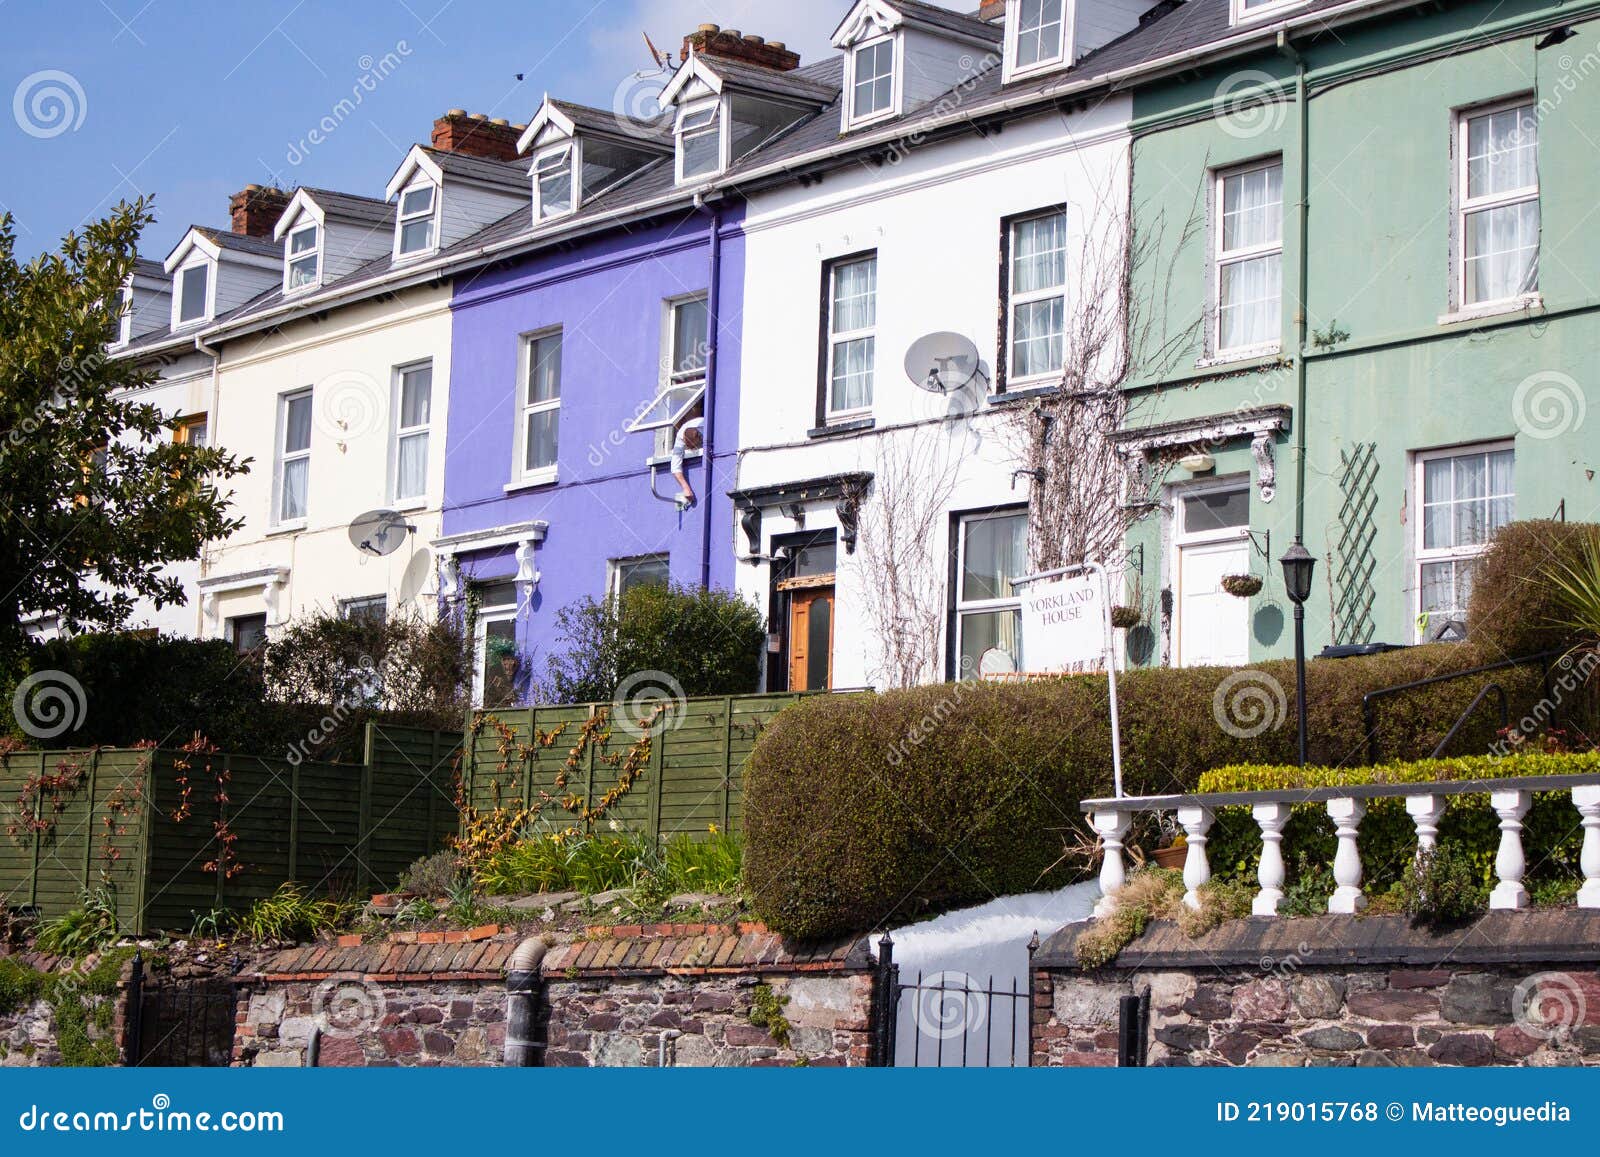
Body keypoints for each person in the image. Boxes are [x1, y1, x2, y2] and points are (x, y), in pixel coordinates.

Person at [671, 417, 704, 510]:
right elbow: (675, 465)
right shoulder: (681, 435)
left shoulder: (705, 426)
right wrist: (686, 488)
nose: (689, 449)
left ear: (700, 437)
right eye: (687, 446)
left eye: (693, 447)